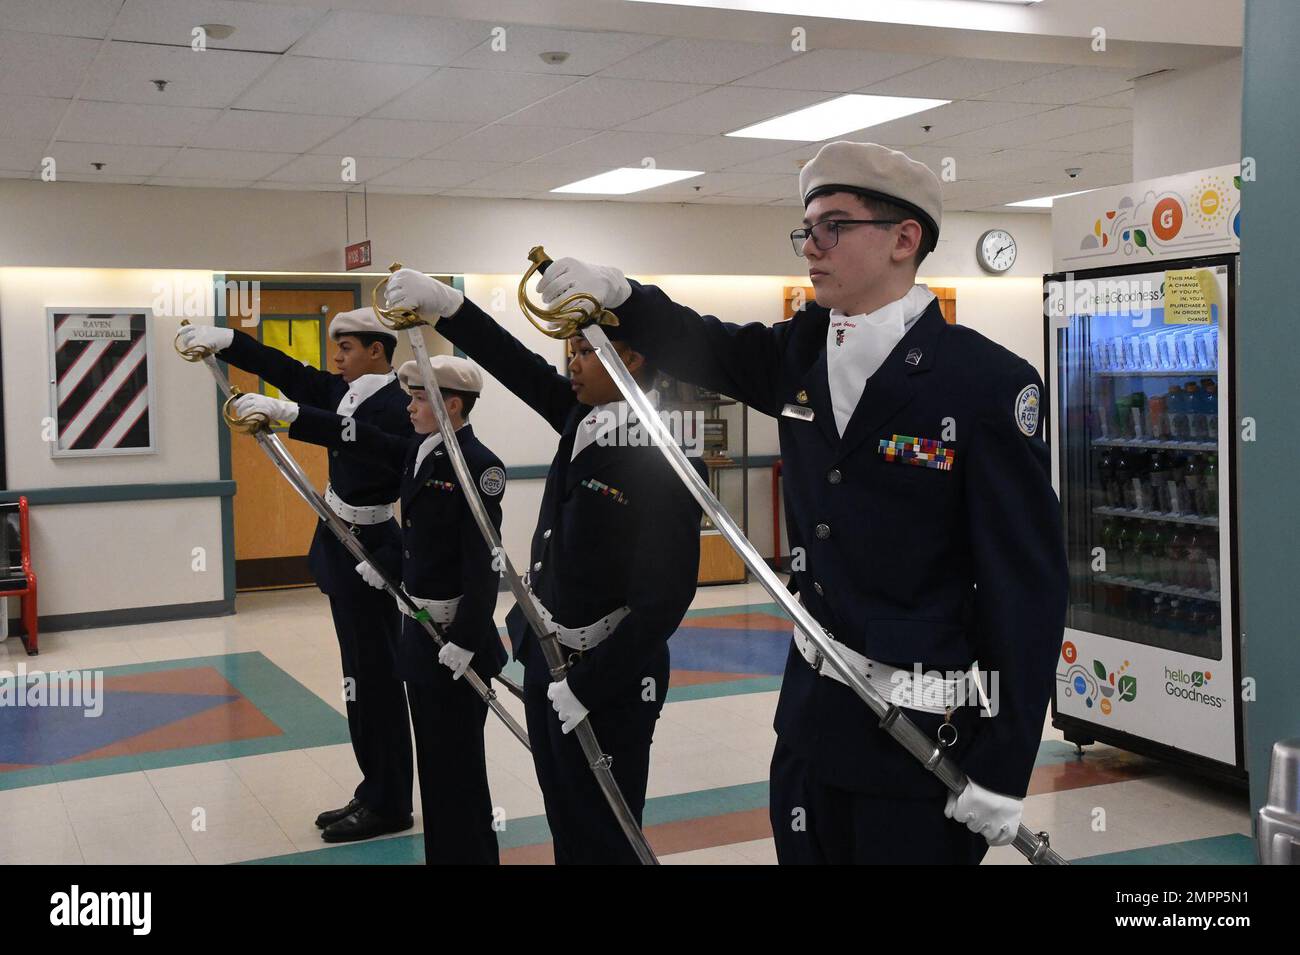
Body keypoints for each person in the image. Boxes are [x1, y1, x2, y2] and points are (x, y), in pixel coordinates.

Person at [528, 141, 1069, 864]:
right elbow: (703, 343)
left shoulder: (985, 384)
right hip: (812, 728)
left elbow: (1025, 592)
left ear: (905, 239)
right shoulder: (802, 353)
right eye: (806, 228)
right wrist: (624, 298)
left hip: (917, 739)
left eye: (834, 226)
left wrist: (1004, 764)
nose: (811, 246)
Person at [379, 270, 706, 864]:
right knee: (566, 819)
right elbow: (516, 364)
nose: (572, 363)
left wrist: (590, 682)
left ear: (631, 360)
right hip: (544, 658)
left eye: (586, 351)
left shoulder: (666, 458)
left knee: (606, 830)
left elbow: (665, 600)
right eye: (572, 350)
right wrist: (450, 309)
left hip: (608, 677)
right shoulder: (582, 418)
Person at [233, 356, 507, 864]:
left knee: (460, 774)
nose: (409, 407)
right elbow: (361, 440)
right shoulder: (421, 452)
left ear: (451, 404)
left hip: (455, 645)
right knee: (437, 774)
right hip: (422, 640)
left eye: (420, 398)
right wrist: (288, 414)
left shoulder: (478, 466)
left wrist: (467, 640)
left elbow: (484, 564)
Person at [175, 310, 414, 842]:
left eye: (347, 347)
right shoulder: (340, 390)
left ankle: (391, 800)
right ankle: (374, 784)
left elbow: (367, 439)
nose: (336, 358)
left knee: (376, 681)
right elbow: (281, 366)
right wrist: (228, 341)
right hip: (337, 541)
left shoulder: (399, 403)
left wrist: (291, 415)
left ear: (377, 350)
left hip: (371, 550)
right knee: (356, 680)